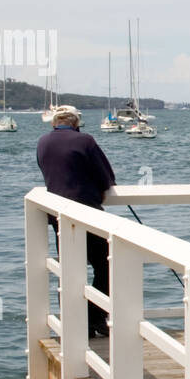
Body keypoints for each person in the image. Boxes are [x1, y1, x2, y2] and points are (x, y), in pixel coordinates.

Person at [36, 104, 117, 337]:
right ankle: (97, 318)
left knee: (70, 269)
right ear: (76, 122)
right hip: (87, 213)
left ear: (54, 122)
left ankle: (73, 323)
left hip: (58, 215)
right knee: (106, 265)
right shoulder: (86, 141)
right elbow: (106, 178)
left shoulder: (42, 142)